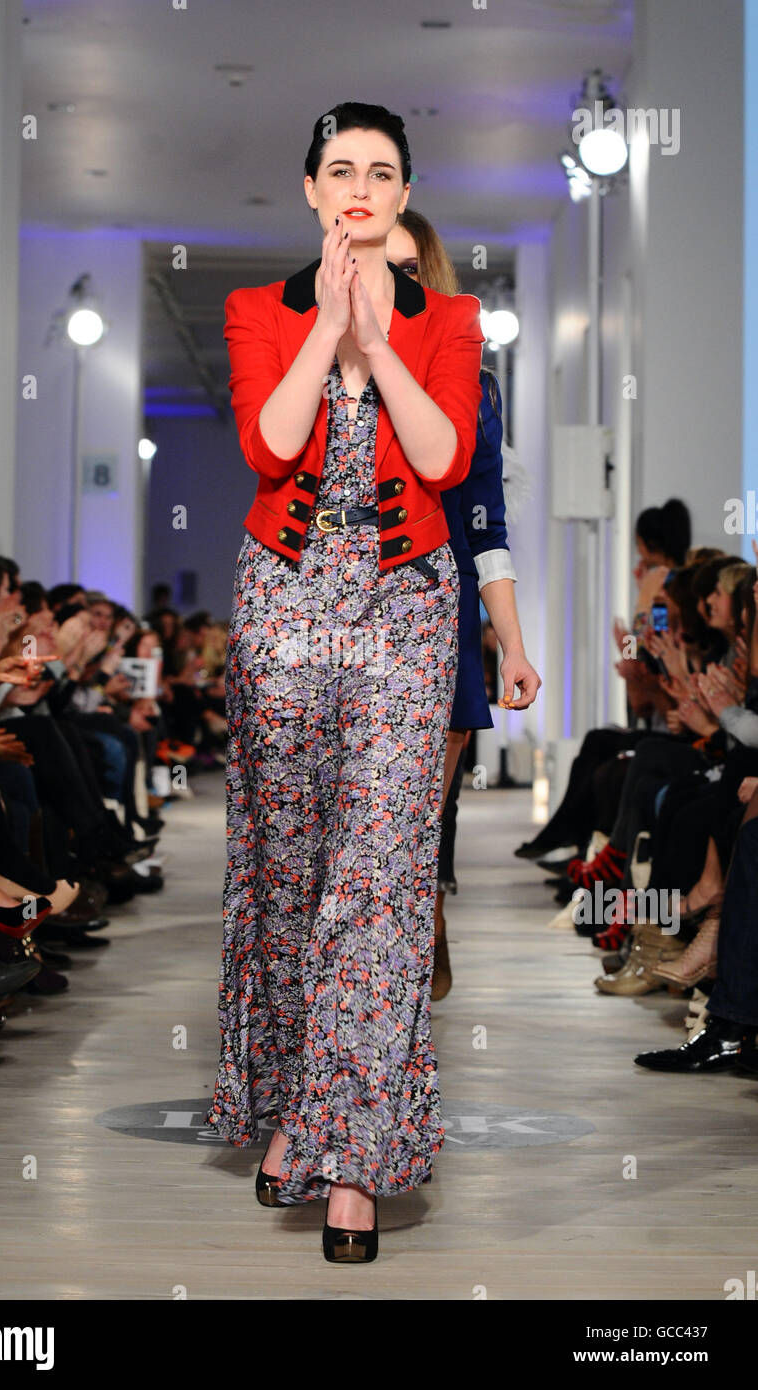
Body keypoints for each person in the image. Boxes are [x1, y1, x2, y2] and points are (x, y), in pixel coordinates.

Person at [204, 102, 486, 1262]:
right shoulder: (257, 309)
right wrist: (326, 330)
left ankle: (353, 1162)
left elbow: (444, 460)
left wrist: (379, 342)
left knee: (377, 876)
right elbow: (269, 447)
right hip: (284, 598)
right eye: (339, 171)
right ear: (313, 193)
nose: (359, 187)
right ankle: (291, 1109)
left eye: (380, 171)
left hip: (408, 605)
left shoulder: (453, 317)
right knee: (292, 867)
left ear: (404, 191)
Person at [386, 210, 540, 998]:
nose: (394, 281)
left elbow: (486, 523)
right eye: (381, 265)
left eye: (410, 269)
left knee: (415, 814)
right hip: (342, 622)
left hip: (439, 617)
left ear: (432, 276)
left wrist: (511, 644)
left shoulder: (473, 390)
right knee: (352, 820)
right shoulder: (324, 375)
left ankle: (418, 930)